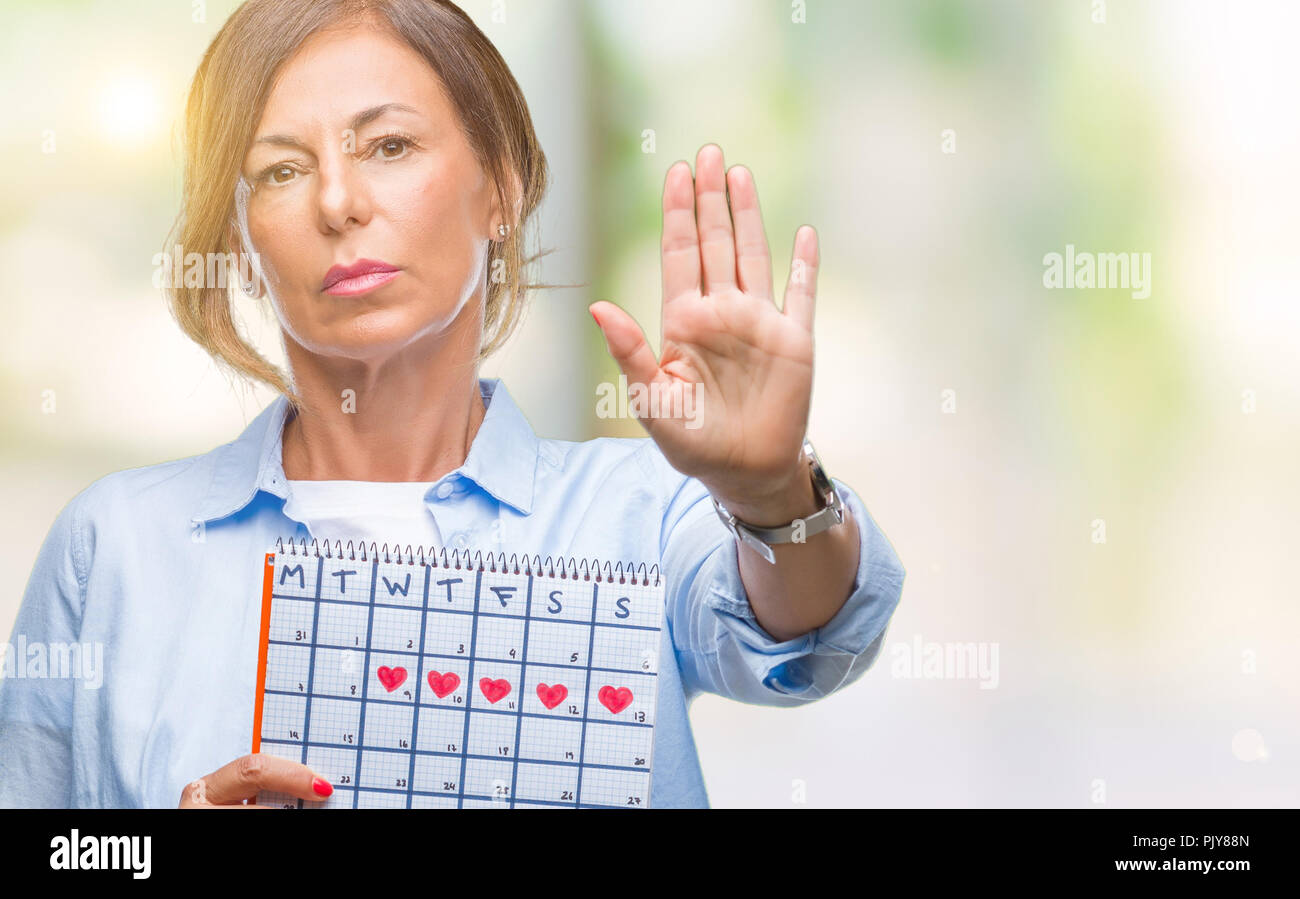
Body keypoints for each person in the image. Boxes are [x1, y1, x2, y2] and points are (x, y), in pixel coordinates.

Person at [0, 0, 905, 809]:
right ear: (238, 241)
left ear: (502, 189)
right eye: (279, 171)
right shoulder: (110, 549)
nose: (338, 201)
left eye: (388, 146)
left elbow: (811, 639)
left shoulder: (642, 512)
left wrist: (771, 493)